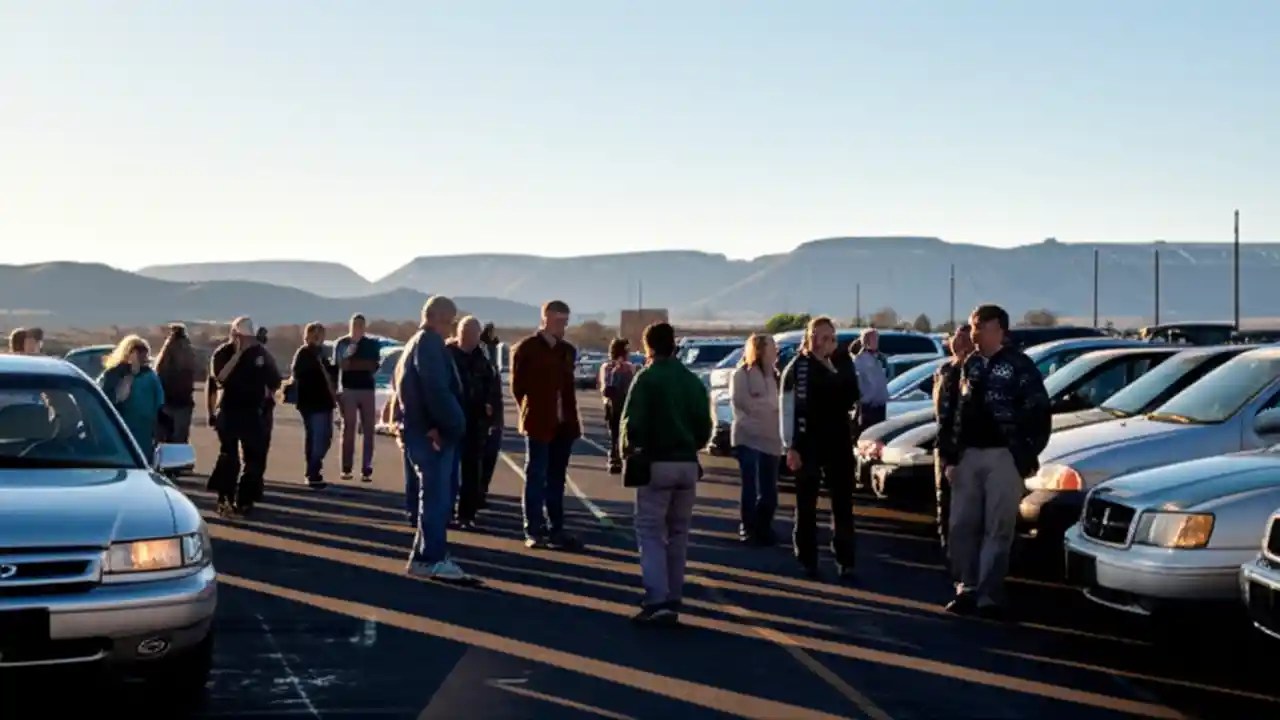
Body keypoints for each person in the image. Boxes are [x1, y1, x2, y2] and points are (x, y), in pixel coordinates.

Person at [939, 304, 1050, 619]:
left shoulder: (1019, 366)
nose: (973, 333)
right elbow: (949, 414)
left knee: (997, 527)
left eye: (980, 327)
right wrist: (949, 456)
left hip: (1004, 455)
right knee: (962, 525)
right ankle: (966, 587)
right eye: (972, 326)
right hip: (968, 455)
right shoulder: (967, 366)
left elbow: (1039, 412)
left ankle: (988, 594)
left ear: (998, 329)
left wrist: (1025, 455)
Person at [621, 321, 712, 625]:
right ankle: (674, 594)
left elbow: (632, 424)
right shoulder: (691, 381)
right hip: (687, 463)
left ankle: (656, 597)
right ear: (674, 345)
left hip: (656, 463)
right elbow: (705, 426)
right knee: (679, 533)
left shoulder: (647, 379)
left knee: (650, 531)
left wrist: (630, 450)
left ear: (648, 347)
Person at [398, 296, 475, 583]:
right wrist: (445, 425)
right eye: (451, 321)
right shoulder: (429, 343)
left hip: (422, 431)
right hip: (433, 435)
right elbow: (434, 388)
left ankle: (423, 557)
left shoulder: (415, 343)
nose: (452, 327)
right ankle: (431, 558)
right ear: (439, 317)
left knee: (431, 497)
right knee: (436, 499)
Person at [781, 316, 860, 580]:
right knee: (807, 504)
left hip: (837, 440)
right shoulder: (798, 367)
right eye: (818, 336)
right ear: (808, 337)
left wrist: (831, 367)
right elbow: (787, 408)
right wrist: (790, 446)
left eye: (829, 337)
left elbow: (852, 396)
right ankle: (807, 559)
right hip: (807, 442)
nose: (822, 342)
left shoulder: (842, 362)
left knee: (842, 503)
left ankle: (845, 560)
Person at [510, 300, 583, 551]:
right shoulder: (526, 349)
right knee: (536, 476)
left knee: (556, 478)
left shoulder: (567, 351)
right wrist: (530, 411)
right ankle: (533, 529)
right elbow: (518, 387)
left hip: (564, 424)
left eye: (565, 320)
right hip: (539, 423)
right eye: (558, 320)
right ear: (546, 319)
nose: (562, 325)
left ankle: (556, 528)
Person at [206, 316, 281, 516]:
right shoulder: (222, 353)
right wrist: (238, 354)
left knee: (254, 458)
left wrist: (267, 398)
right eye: (243, 337)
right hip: (229, 410)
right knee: (229, 458)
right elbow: (220, 378)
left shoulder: (261, 354)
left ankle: (245, 499)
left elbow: (275, 380)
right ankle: (225, 498)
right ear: (235, 335)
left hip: (252, 411)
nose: (248, 342)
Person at [447, 315, 501, 530]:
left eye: (473, 334)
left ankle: (466, 514)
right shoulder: (448, 356)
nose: (469, 338)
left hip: (476, 422)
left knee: (472, 470)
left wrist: (492, 413)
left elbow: (493, 390)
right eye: (465, 333)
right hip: (450, 419)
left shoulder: (484, 361)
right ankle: (446, 511)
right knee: (448, 470)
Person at [730, 333, 782, 545]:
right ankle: (748, 527)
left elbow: (780, 404)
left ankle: (764, 526)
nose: (776, 350)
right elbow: (743, 403)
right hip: (748, 437)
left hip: (772, 437)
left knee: (769, 490)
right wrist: (767, 407)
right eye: (772, 346)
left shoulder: (776, 375)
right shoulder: (742, 374)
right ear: (759, 349)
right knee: (750, 486)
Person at [932, 325, 974, 563]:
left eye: (964, 341)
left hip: (968, 447)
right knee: (944, 499)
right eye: (955, 341)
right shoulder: (945, 370)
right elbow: (939, 411)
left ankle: (963, 553)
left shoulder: (976, 371)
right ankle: (948, 549)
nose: (958, 345)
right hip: (945, 444)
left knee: (967, 503)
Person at [290, 322, 339, 488]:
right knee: (316, 437)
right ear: (308, 335)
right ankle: (312, 472)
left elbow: (332, 374)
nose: (319, 337)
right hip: (310, 401)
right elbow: (298, 374)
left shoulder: (323, 354)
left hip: (325, 401)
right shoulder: (304, 353)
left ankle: (314, 468)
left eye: (321, 334)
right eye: (316, 334)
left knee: (326, 437)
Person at [334, 313, 381, 482]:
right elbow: (342, 365)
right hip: (349, 389)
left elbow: (373, 366)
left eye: (361, 325)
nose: (358, 329)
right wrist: (351, 351)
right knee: (349, 428)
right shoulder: (342, 343)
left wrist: (356, 364)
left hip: (367, 389)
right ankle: (346, 467)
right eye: (355, 325)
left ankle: (366, 468)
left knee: (369, 429)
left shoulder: (372, 344)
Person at [98, 335, 165, 453]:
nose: (141, 359)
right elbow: (103, 401)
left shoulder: (150, 377)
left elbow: (159, 404)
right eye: (137, 354)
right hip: (119, 433)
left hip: (144, 433)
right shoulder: (113, 375)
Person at [155, 323, 197, 444]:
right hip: (180, 404)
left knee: (164, 440)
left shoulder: (168, 351)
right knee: (179, 440)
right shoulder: (187, 351)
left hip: (169, 403)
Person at [598, 338, 636, 474]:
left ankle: (618, 456)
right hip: (615, 403)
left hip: (622, 403)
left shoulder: (628, 367)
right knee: (616, 432)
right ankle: (615, 456)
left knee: (620, 432)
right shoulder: (609, 367)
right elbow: (607, 388)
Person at [852, 328, 890, 437]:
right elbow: (859, 382)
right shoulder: (860, 360)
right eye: (874, 338)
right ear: (866, 340)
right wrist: (865, 398)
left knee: (880, 435)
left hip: (880, 404)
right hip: (868, 406)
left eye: (877, 338)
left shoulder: (879, 358)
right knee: (869, 435)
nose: (876, 341)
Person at [256, 326, 281, 457]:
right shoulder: (265, 356)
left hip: (261, 402)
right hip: (260, 402)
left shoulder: (265, 356)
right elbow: (275, 379)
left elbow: (275, 379)